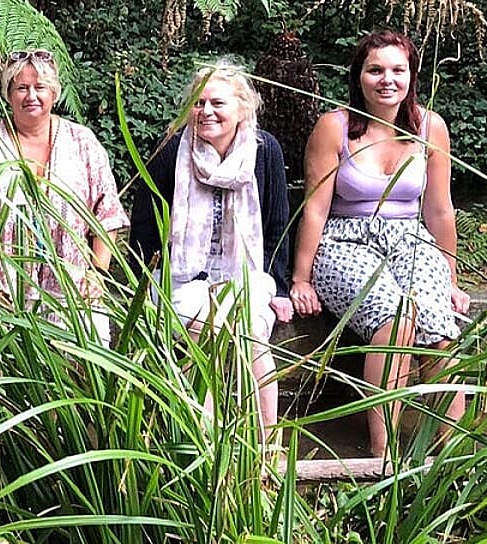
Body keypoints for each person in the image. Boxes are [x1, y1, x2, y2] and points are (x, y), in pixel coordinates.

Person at [290, 30, 467, 457]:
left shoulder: (430, 127)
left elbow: (440, 210)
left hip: (411, 241)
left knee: (440, 330)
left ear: (411, 76)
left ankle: (452, 459)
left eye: (396, 70)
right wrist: (301, 278)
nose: (386, 80)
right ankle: (382, 457)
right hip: (345, 240)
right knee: (395, 318)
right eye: (375, 70)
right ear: (359, 77)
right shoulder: (334, 128)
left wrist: (451, 277)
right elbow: (314, 208)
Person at [129, 61, 293, 436]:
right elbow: (144, 224)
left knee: (249, 332)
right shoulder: (172, 150)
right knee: (208, 327)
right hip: (181, 277)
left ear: (242, 108)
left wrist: (280, 288)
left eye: (217, 103)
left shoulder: (263, 151)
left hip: (245, 276)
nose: (206, 112)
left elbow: (277, 223)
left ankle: (269, 442)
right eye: (198, 104)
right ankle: (206, 439)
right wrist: (140, 287)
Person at [0, 48, 128, 344]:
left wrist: (98, 274)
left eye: (40, 87)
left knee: (80, 374)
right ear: (8, 94)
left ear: (54, 93)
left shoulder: (83, 143)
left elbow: (106, 215)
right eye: (22, 88)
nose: (31, 96)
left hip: (73, 291)